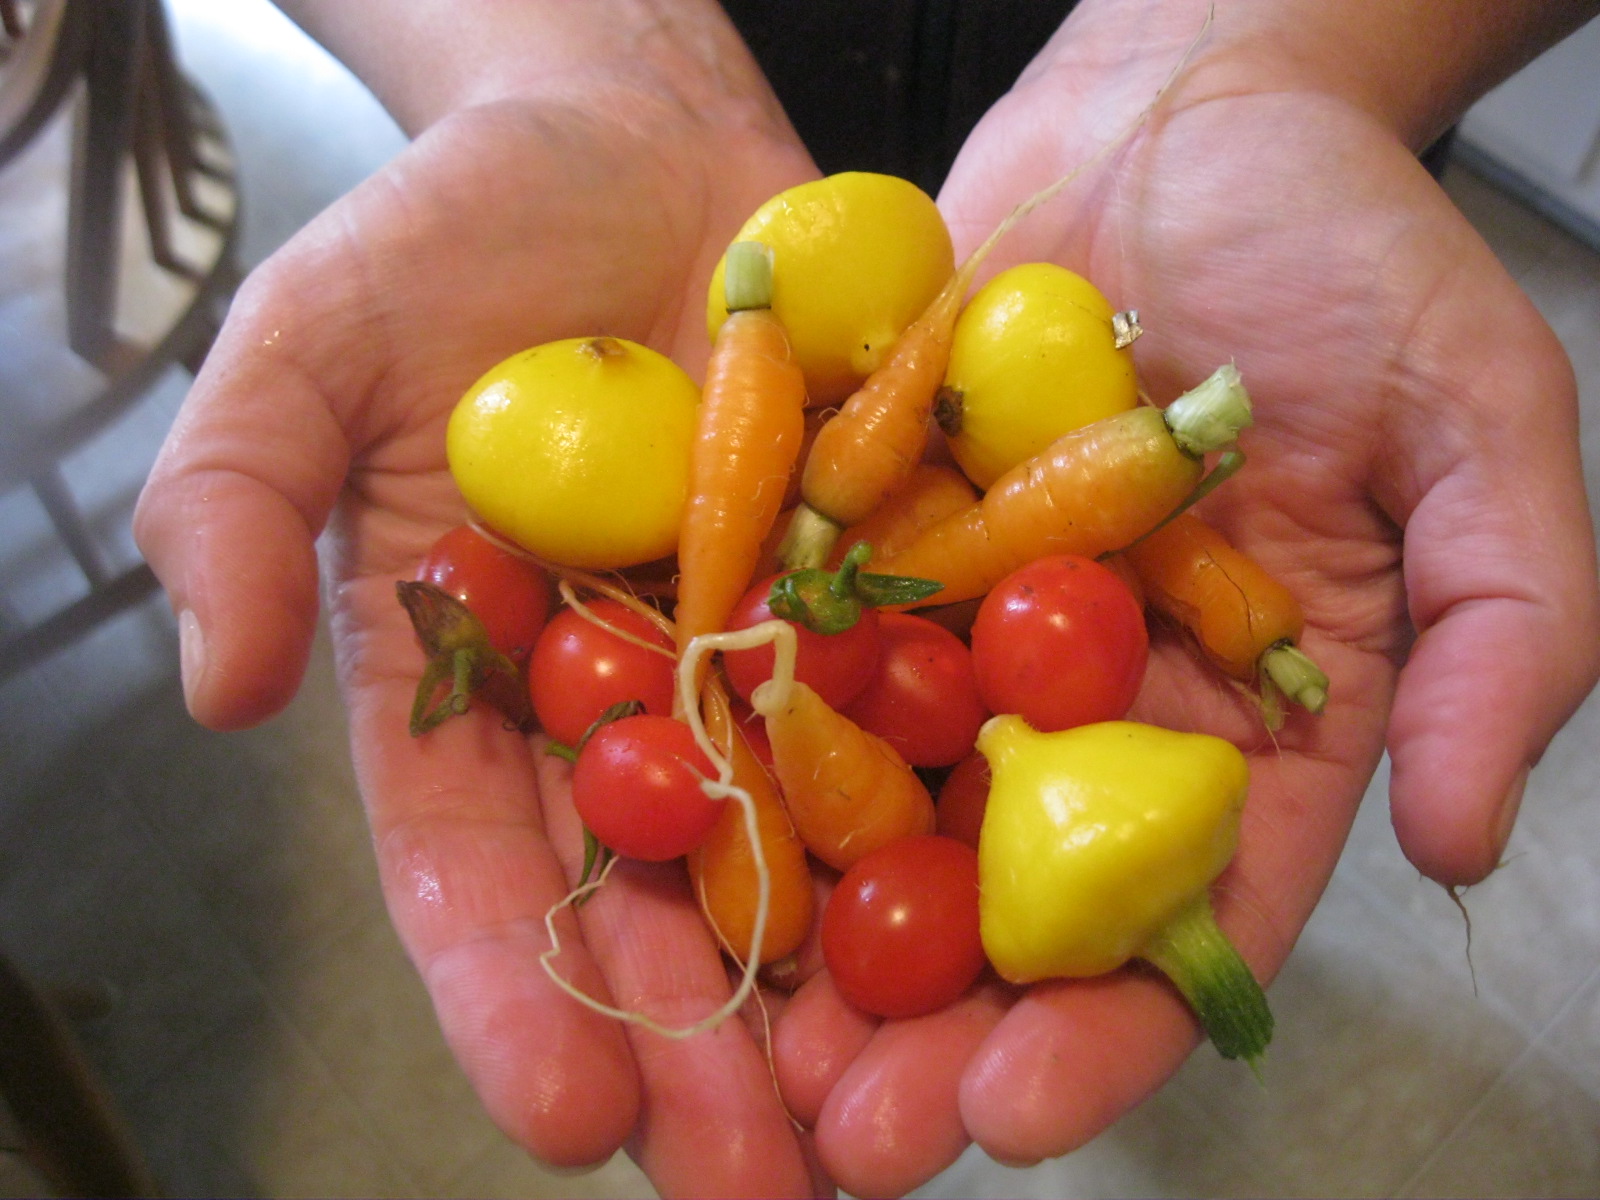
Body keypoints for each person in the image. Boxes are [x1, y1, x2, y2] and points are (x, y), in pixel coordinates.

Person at [132, 1, 1600, 1196]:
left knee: (1131, 695)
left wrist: (1269, 52)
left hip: (1116, 241)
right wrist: (562, 53)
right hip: (723, 212)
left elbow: (1016, 576)